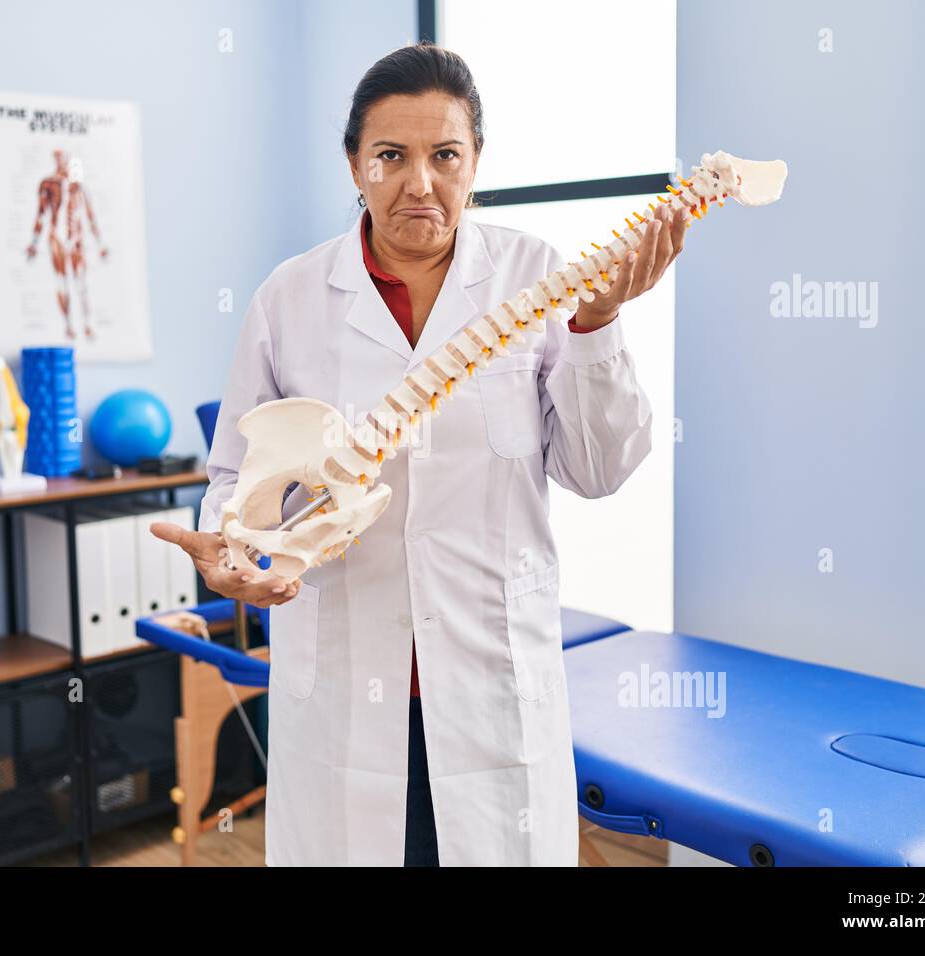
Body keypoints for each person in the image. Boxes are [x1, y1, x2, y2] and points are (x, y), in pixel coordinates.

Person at [152, 41, 684, 866]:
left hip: (489, 681)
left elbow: (599, 467)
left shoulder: (537, 278)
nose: (420, 183)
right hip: (342, 682)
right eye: (390, 156)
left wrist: (595, 327)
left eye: (446, 155)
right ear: (354, 164)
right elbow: (234, 477)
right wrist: (227, 552)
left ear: (476, 163)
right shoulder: (290, 299)